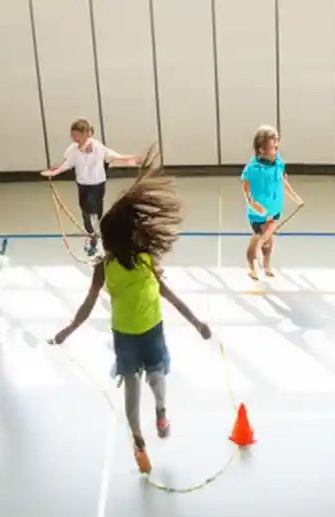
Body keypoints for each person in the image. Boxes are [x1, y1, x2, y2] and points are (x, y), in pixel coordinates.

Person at [51, 157, 212, 473]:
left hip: (144, 332)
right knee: (140, 382)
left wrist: (196, 322)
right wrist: (68, 330)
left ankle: (159, 412)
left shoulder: (142, 260)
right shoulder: (110, 266)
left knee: (149, 380)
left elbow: (167, 293)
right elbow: (88, 303)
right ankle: (139, 437)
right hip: (130, 335)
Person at [40, 119, 139, 256]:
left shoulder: (98, 147)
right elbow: (65, 164)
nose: (73, 138)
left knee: (94, 210)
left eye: (76, 135)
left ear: (85, 133)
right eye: (72, 135)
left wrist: (131, 159)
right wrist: (53, 172)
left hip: (98, 184)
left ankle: (96, 235)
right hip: (83, 185)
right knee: (85, 211)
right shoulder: (73, 149)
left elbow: (114, 156)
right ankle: (92, 233)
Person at [241, 125, 302, 281]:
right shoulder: (252, 169)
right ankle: (252, 267)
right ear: (261, 150)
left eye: (276, 146)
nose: (276, 151)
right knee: (259, 239)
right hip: (258, 215)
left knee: (269, 240)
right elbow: (247, 192)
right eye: (272, 148)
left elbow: (282, 182)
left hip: (274, 211)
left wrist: (294, 197)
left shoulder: (278, 163)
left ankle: (267, 265)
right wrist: (256, 206)